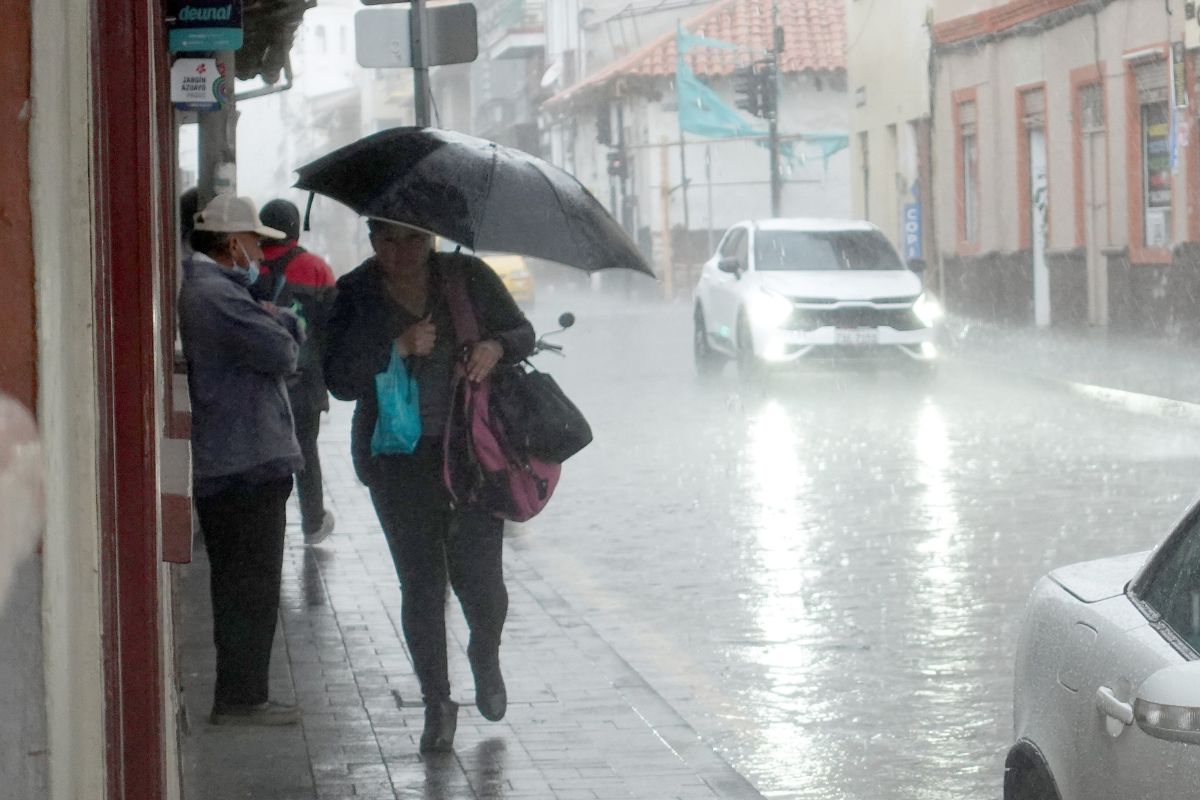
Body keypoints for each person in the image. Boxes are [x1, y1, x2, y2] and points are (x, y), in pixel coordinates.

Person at [324, 220, 534, 753]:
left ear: (431, 239)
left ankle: (484, 653)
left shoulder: (467, 276)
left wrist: (494, 347)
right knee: (421, 584)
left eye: (413, 239)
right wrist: (394, 347)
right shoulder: (355, 292)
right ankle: (437, 703)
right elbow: (339, 380)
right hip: (396, 461)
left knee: (482, 584)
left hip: (471, 455)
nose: (402, 252)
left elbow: (522, 333)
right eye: (388, 240)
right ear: (372, 240)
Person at [178, 194, 305, 726]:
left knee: (244, 585)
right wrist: (285, 326)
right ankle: (243, 697)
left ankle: (244, 692)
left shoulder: (219, 292)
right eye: (255, 242)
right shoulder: (216, 295)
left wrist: (274, 322)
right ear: (233, 244)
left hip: (240, 459)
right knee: (249, 586)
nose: (260, 251)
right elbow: (284, 353)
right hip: (243, 462)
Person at [256, 198, 338, 545]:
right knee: (306, 451)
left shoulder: (250, 267)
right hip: (305, 382)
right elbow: (334, 326)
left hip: (262, 382)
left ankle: (268, 525)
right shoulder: (317, 269)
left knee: (264, 455)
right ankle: (313, 522)